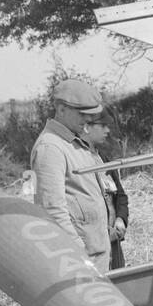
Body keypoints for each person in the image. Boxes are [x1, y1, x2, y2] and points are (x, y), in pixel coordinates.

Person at [30, 78, 111, 273]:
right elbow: (52, 209)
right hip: (82, 260)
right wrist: (77, 256)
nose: (87, 120)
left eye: (89, 114)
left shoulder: (75, 143)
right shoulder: (50, 148)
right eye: (81, 113)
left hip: (97, 251)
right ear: (61, 109)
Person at [82, 109, 128, 270]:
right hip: (93, 248)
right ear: (87, 127)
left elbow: (121, 195)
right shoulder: (78, 162)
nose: (107, 130)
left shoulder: (104, 159)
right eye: (103, 126)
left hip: (113, 243)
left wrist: (121, 219)